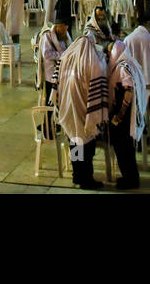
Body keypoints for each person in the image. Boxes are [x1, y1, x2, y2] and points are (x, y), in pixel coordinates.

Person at [57, 16, 111, 190]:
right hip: (82, 110)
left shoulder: (69, 57)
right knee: (86, 146)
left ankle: (77, 175)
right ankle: (86, 178)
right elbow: (96, 87)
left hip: (69, 107)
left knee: (75, 141)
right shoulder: (92, 62)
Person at [107, 31, 146, 190]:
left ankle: (129, 180)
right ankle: (130, 177)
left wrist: (120, 114)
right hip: (128, 114)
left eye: (111, 52)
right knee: (126, 148)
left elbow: (128, 91)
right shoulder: (131, 64)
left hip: (123, 116)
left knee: (122, 147)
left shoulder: (122, 68)